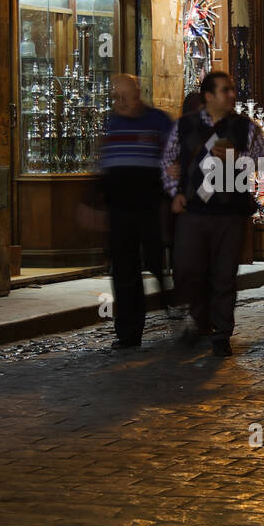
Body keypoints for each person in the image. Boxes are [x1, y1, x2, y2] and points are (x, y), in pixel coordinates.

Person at [161, 71, 264, 357]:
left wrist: (240, 158)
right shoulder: (184, 126)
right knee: (187, 269)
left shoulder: (244, 127)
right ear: (209, 96)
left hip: (230, 212)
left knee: (224, 274)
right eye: (225, 90)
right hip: (193, 211)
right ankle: (201, 319)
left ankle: (222, 333)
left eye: (232, 89)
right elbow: (168, 161)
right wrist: (175, 193)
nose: (232, 94)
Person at [98, 75, 175, 349]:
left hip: (150, 207)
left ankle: (176, 314)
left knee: (158, 265)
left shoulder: (159, 121)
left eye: (123, 96)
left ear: (138, 94)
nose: (118, 102)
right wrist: (96, 204)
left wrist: (171, 195)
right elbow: (105, 165)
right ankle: (128, 334)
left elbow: (173, 159)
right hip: (120, 209)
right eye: (114, 97)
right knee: (124, 272)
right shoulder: (112, 123)